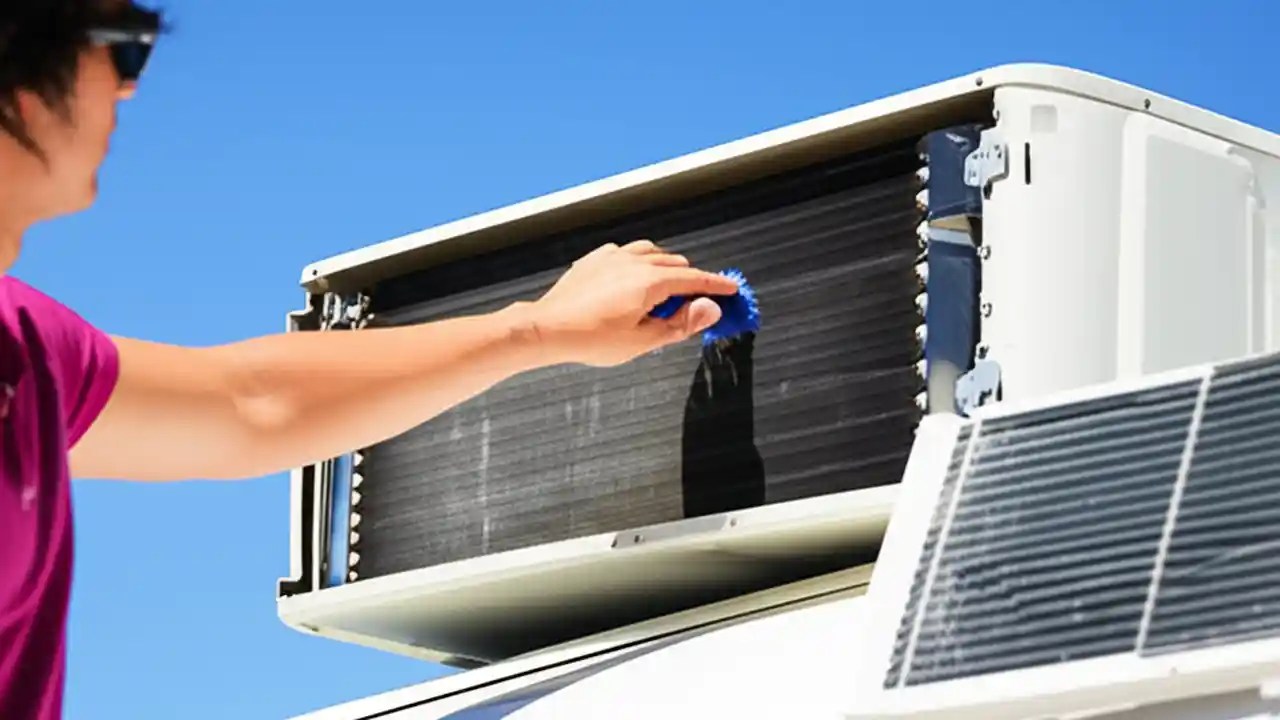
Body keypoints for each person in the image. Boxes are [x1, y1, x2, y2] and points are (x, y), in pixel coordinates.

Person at [0, 2, 740, 718]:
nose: (128, 83)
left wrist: (541, 331)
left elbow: (248, 406)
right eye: (125, 44)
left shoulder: (30, 350)